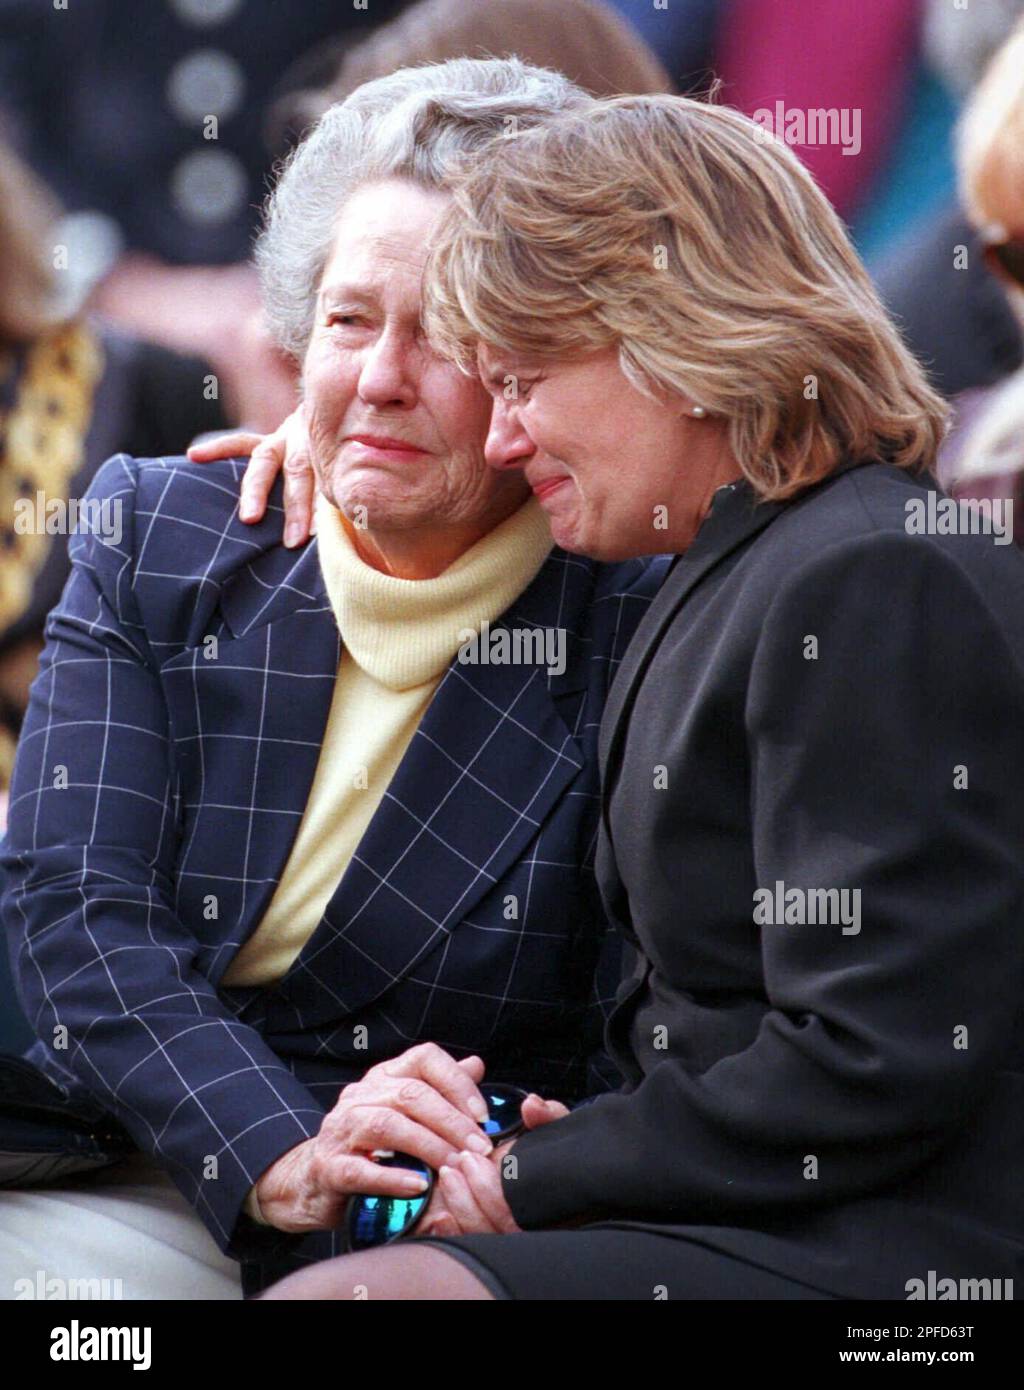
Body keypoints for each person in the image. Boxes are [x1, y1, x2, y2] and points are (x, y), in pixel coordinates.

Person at [260, 91, 1024, 1300]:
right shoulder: (736, 562)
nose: (503, 439)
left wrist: (535, 1175)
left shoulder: (872, 577)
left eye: (520, 379)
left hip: (891, 1246)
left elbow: (876, 1053)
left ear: (670, 337)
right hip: (747, 1209)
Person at [0, 59, 667, 1301]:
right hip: (98, 1147)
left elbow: (630, 1029)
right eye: (351, 322)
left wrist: (511, 1156)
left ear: (544, 363)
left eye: (448, 335)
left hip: (412, 1221)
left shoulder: (640, 614)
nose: (379, 379)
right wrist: (281, 1152)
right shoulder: (166, 528)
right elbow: (75, 907)